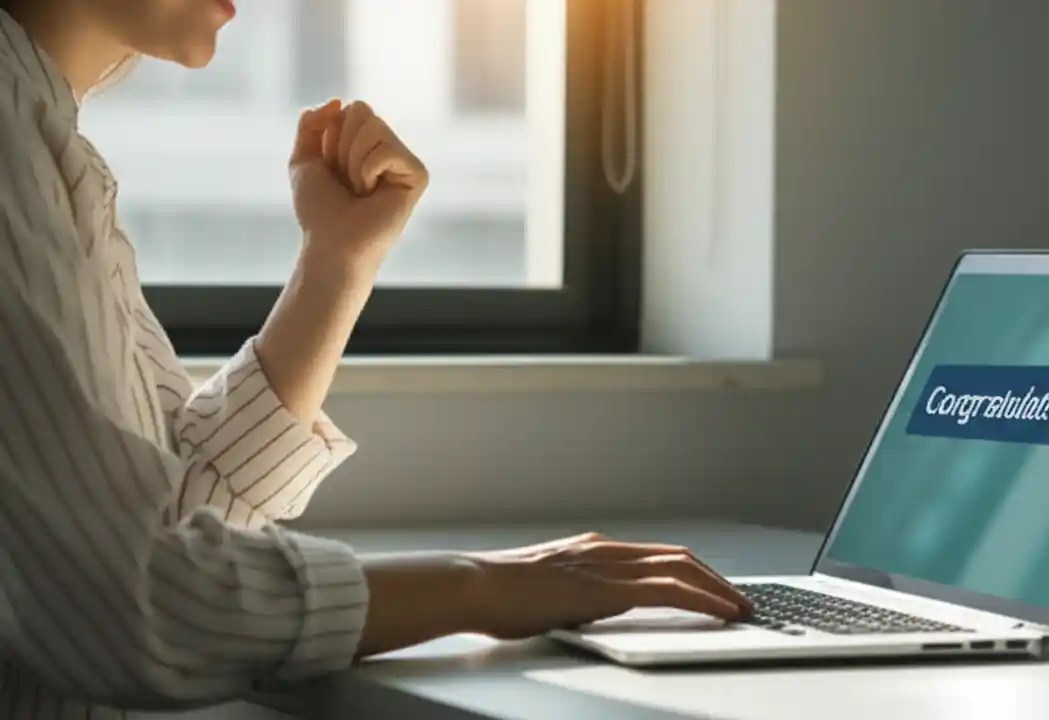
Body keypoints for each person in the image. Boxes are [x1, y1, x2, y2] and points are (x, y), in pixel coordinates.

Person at [0, 0, 751, 716]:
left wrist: (337, 263)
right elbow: (134, 608)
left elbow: (175, 529)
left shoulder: (41, 133)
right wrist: (486, 588)